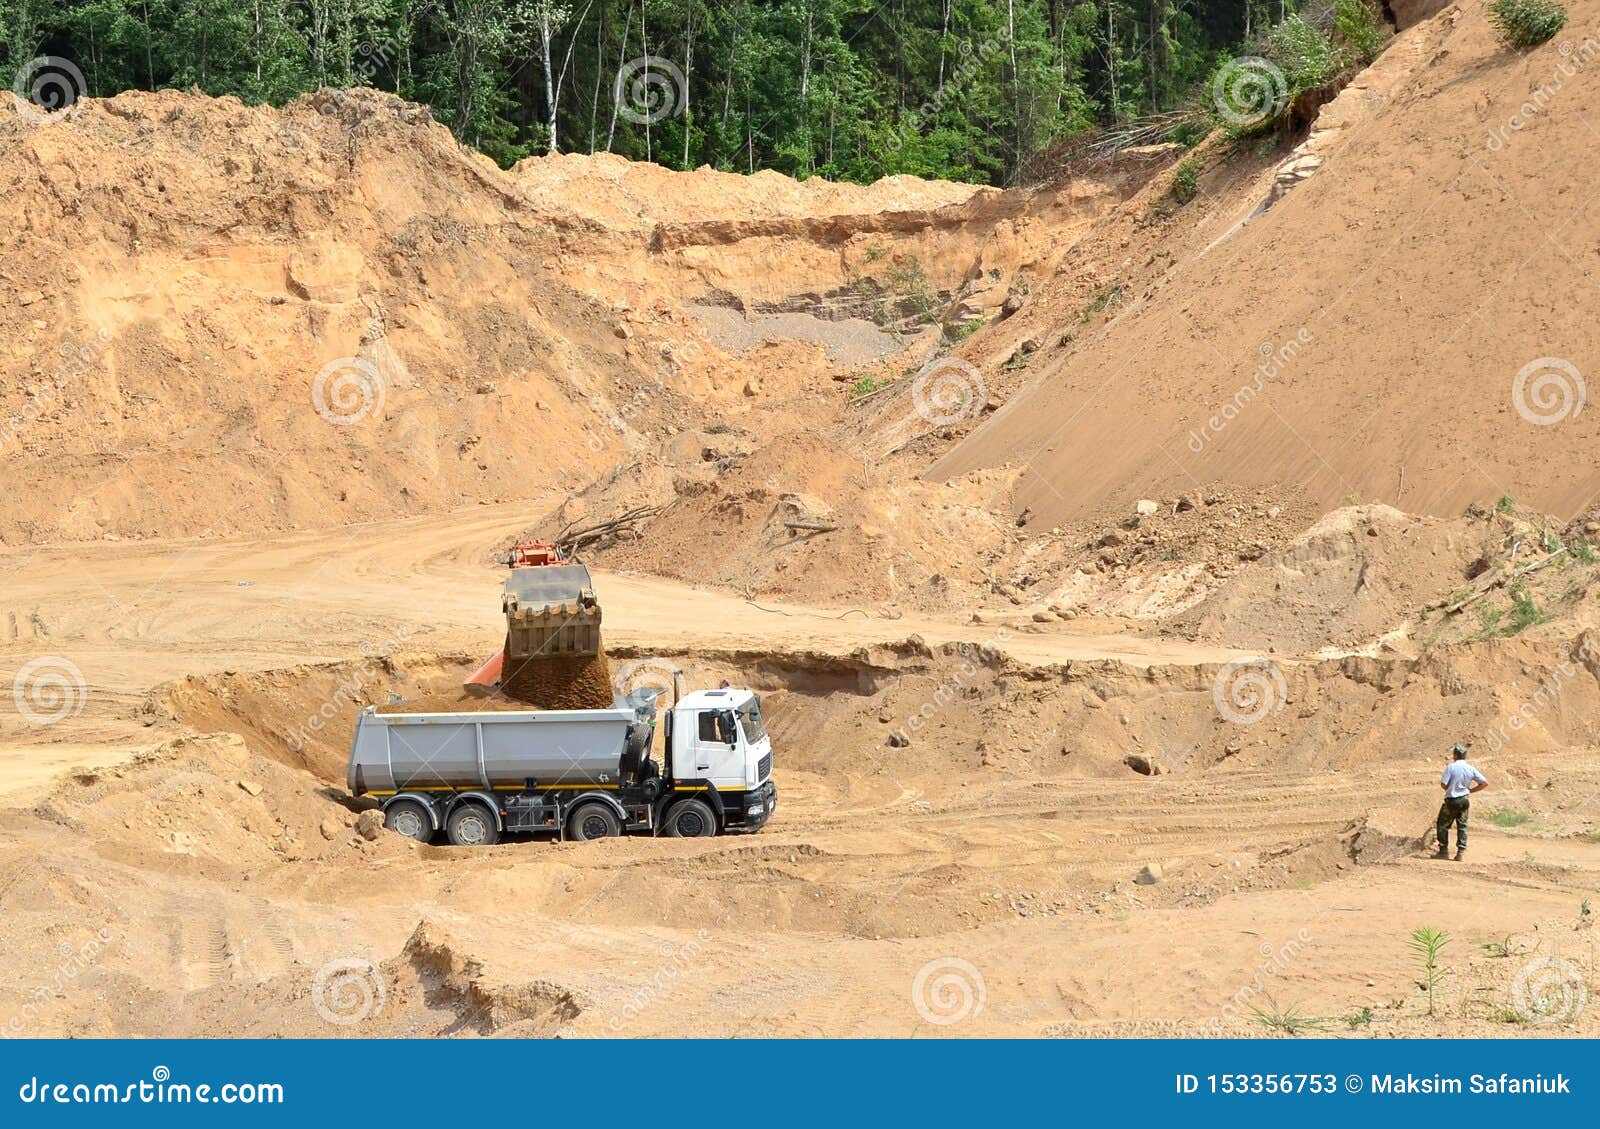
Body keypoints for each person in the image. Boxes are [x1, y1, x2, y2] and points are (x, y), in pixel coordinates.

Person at [1436, 743, 1487, 861]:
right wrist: (1470, 790)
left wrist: (1450, 789)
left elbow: (1443, 784)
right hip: (1464, 800)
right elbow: (1484, 783)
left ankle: (1443, 851)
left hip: (1451, 800)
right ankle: (1460, 853)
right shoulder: (1470, 768)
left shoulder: (1451, 767)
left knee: (1442, 825)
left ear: (1455, 755)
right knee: (1462, 826)